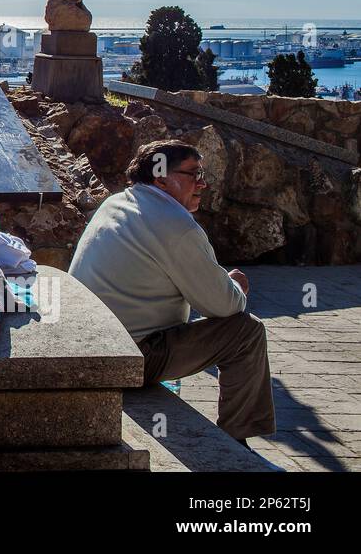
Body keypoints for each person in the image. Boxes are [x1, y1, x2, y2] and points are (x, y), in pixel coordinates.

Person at [70, 139, 275, 443]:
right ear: (162, 177)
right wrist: (236, 286)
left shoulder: (117, 203)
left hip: (90, 347)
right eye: (194, 173)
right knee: (246, 333)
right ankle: (237, 444)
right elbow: (224, 306)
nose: (203, 184)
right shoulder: (175, 225)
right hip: (131, 357)